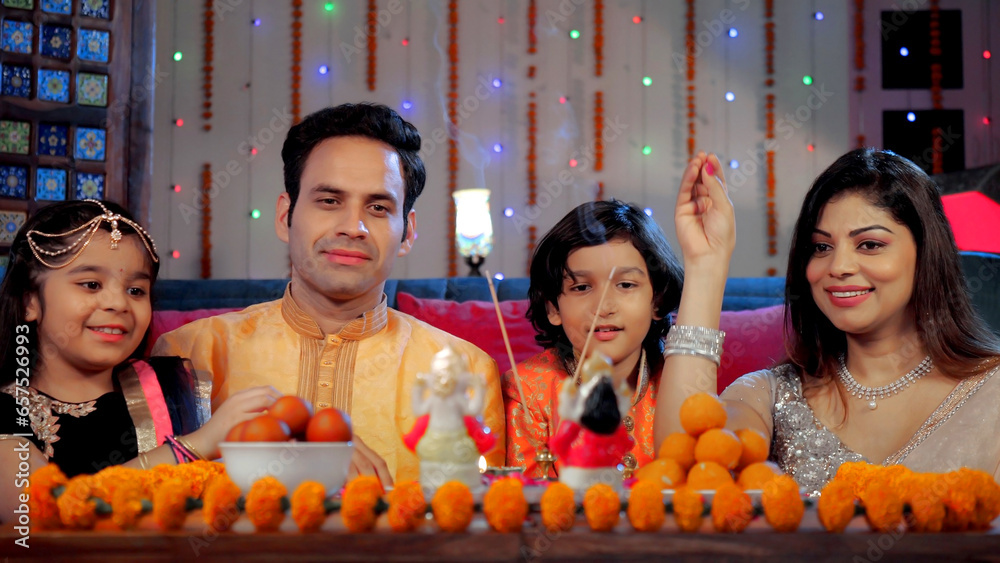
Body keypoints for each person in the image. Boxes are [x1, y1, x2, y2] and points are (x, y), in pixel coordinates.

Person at [154, 103, 506, 485]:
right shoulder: (190, 354)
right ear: (285, 217)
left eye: (377, 207)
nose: (353, 227)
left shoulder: (466, 372)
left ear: (407, 232)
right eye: (329, 201)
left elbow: (480, 513)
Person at [654, 147, 1000, 493]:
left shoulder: (991, 390)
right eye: (821, 247)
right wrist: (705, 266)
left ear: (927, 253)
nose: (838, 267)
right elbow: (687, 471)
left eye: (869, 244)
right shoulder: (770, 395)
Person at [0, 200, 277, 518]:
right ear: (29, 302)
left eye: (135, 291)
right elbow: (45, 514)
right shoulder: (9, 412)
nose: (118, 303)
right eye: (91, 285)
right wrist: (193, 447)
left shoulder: (171, 388)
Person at [502, 198, 690, 478]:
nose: (604, 307)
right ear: (553, 308)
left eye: (625, 285)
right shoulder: (526, 390)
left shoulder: (680, 380)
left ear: (658, 300)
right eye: (581, 287)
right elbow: (528, 493)